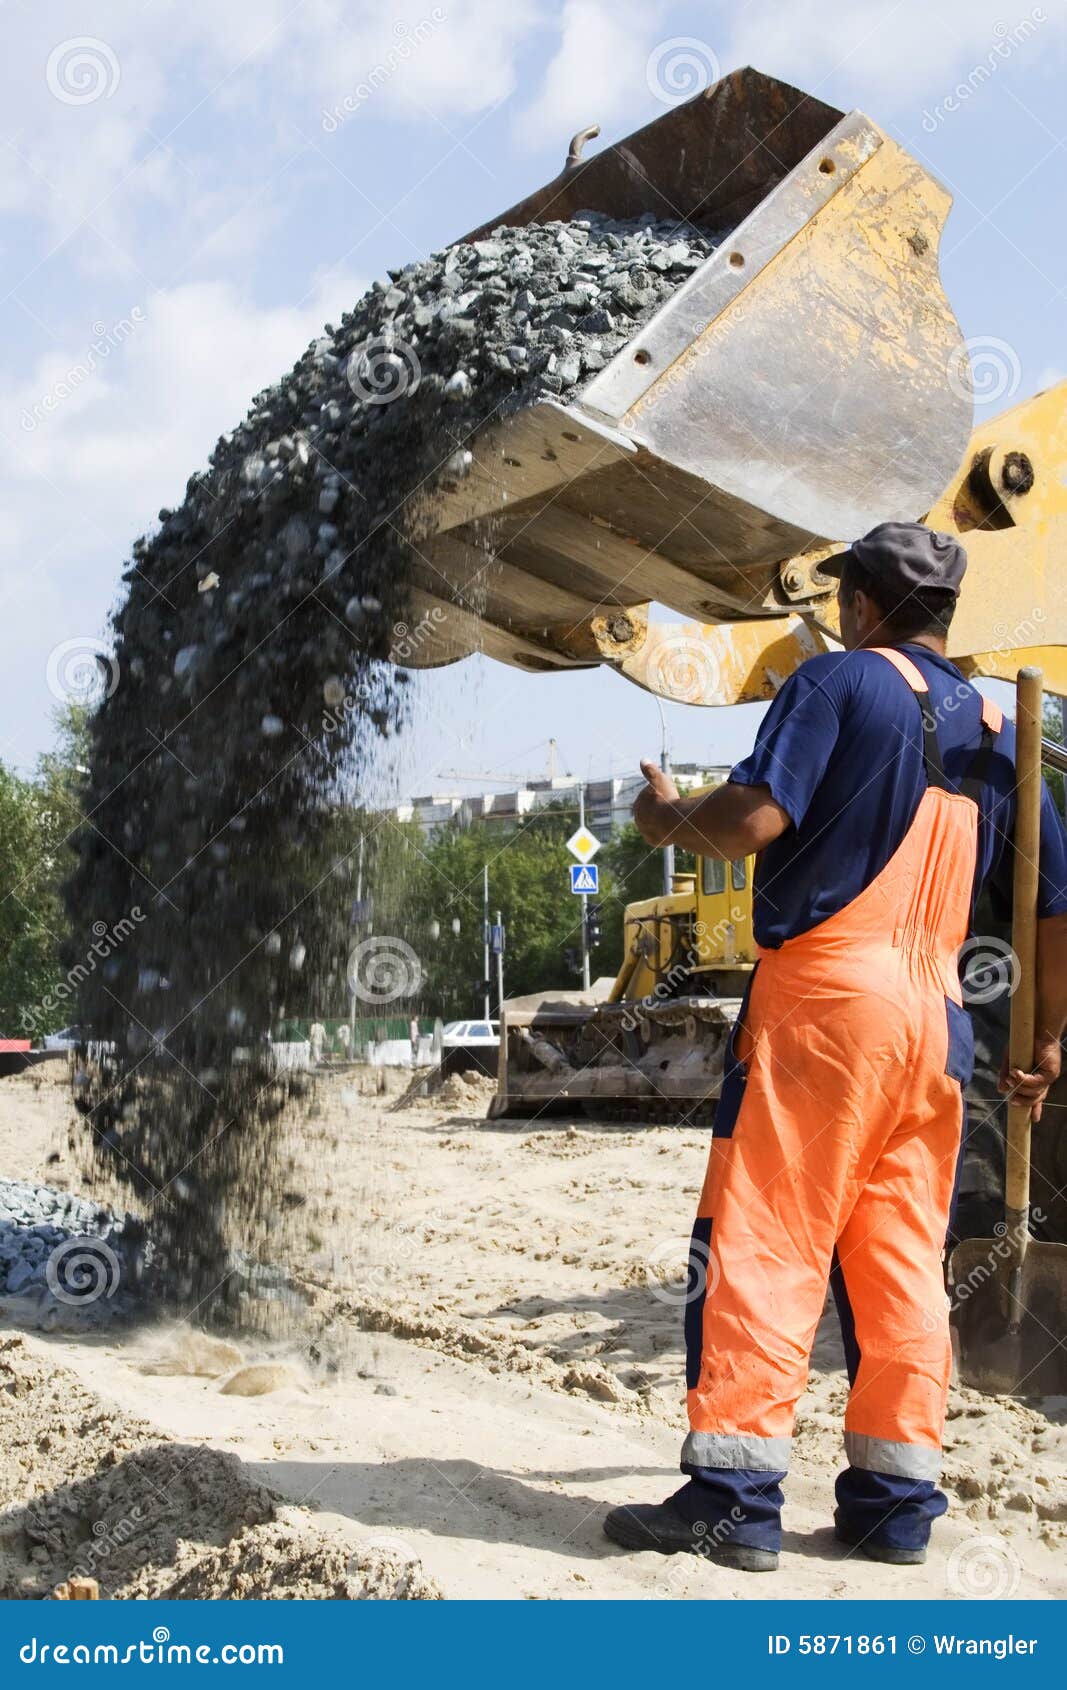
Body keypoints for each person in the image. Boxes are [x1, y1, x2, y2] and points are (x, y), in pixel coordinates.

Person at [606, 521, 1067, 1573]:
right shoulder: (1002, 727)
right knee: (898, 1259)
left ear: (857, 603)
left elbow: (755, 819)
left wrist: (666, 816)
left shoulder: (833, 684)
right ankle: (892, 1504)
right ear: (945, 616)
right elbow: (1054, 907)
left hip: (823, 1002)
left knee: (764, 1236)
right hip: (934, 1021)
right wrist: (1043, 1034)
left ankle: (730, 1497)